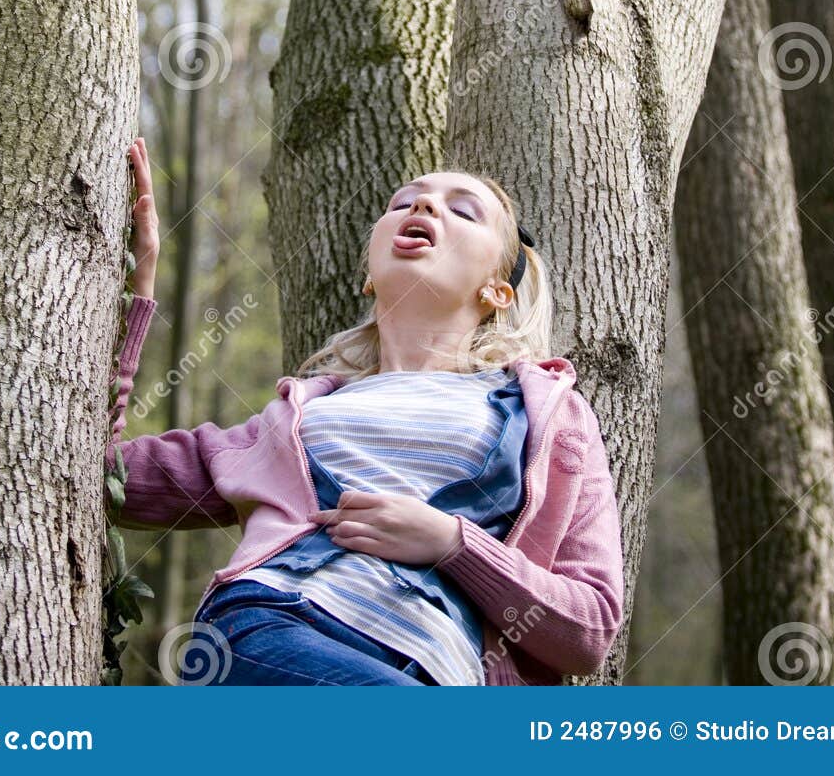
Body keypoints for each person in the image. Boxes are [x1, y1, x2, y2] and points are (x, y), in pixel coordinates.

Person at [110, 141, 624, 686]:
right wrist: (133, 293)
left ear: (497, 291)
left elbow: (589, 630)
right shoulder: (298, 417)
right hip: (272, 626)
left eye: (463, 210)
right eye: (405, 202)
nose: (423, 208)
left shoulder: (550, 417)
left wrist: (454, 545)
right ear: (370, 277)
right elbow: (98, 474)